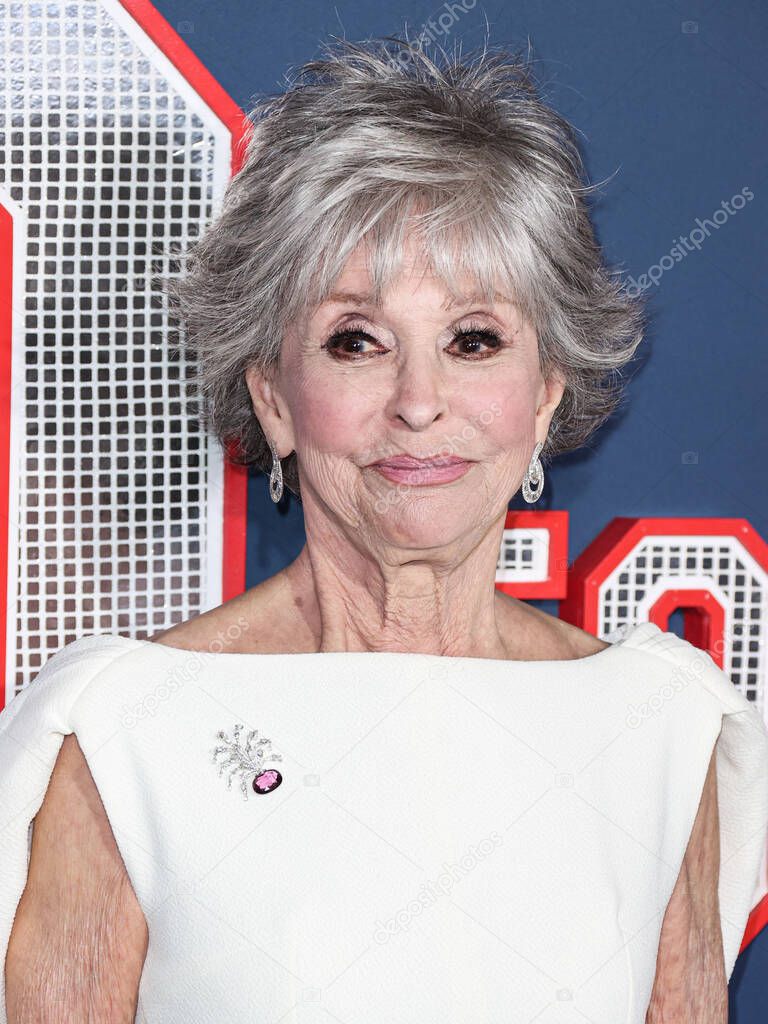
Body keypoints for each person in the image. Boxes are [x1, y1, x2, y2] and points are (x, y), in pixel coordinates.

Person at [2, 35, 767, 1024]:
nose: (418, 402)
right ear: (274, 397)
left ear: (542, 395)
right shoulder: (121, 733)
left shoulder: (659, 728)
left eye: (473, 339)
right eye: (357, 340)